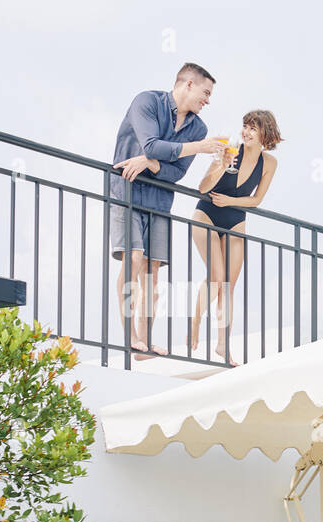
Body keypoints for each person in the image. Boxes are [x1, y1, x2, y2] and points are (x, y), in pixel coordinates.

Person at [110, 63, 226, 359]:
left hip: (161, 200)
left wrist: (151, 163)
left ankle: (145, 344)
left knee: (152, 272)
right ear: (188, 84)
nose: (208, 100)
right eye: (206, 92)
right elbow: (151, 144)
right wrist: (196, 148)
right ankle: (129, 337)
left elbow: (176, 173)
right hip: (127, 189)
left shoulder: (198, 128)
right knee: (134, 257)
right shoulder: (146, 101)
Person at [189, 110, 281, 365]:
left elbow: (256, 200)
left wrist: (230, 201)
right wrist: (221, 166)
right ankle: (195, 321)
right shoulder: (230, 150)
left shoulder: (270, 163)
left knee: (229, 285)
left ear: (265, 133)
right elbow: (203, 188)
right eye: (245, 126)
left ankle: (222, 344)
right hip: (206, 213)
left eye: (253, 128)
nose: (246, 132)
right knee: (216, 278)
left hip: (236, 218)